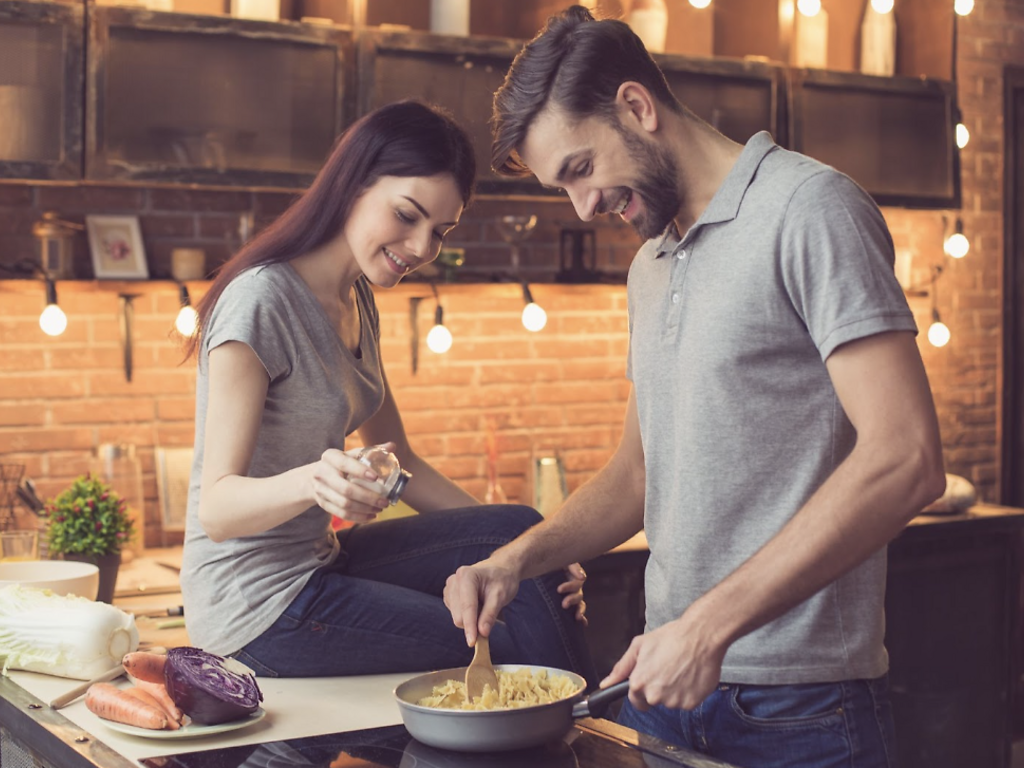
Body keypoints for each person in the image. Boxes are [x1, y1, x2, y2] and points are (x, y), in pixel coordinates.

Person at [443, 7, 945, 767]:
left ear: (637, 108)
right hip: (666, 694)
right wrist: (513, 560)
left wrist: (707, 630)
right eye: (562, 187)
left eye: (580, 169)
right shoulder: (650, 265)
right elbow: (636, 477)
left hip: (802, 710)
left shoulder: (810, 210)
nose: (583, 206)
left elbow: (907, 458)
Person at [178, 100, 592, 681]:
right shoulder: (261, 300)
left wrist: (535, 555)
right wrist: (315, 480)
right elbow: (216, 510)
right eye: (406, 214)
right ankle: (587, 731)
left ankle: (586, 723)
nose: (423, 247)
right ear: (352, 185)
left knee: (517, 527)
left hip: (322, 564)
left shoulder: (357, 299)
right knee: (506, 635)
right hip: (257, 609)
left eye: (439, 231)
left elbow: (404, 462)